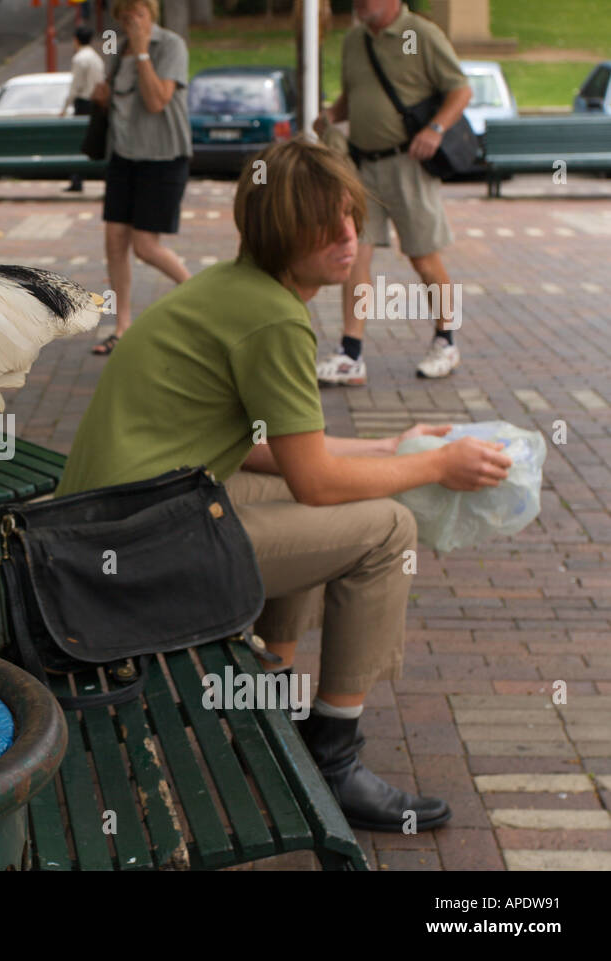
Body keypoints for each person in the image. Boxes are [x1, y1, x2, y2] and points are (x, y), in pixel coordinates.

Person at [55, 138, 513, 833]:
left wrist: (390, 445)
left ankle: (263, 696)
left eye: (352, 219)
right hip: (130, 550)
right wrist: (435, 467)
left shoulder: (234, 288)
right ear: (278, 231)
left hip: (112, 523)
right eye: (324, 224)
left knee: (322, 502)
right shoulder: (274, 317)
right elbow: (319, 480)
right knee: (387, 529)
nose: (348, 237)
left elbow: (279, 451)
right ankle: (333, 756)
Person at [313, 0, 472, 385]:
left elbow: (459, 90)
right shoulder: (354, 40)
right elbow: (355, 96)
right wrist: (332, 116)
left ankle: (446, 341)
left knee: (423, 257)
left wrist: (434, 130)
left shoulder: (418, 36)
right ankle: (351, 354)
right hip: (362, 166)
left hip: (408, 165)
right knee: (354, 257)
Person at [90, 0, 192, 356]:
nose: (131, 20)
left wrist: (144, 53)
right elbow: (122, 102)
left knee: (145, 246)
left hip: (162, 157)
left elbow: (156, 101)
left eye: (139, 12)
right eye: (126, 13)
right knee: (115, 241)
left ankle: (197, 295)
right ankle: (122, 326)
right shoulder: (116, 49)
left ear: (152, 14)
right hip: (124, 156)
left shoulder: (171, 46)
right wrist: (102, 98)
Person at [61, 25, 105, 193]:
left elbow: (75, 87)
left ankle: (76, 179)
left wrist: (65, 107)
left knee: (78, 142)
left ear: (76, 39)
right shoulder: (96, 58)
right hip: (95, 103)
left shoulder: (80, 59)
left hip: (83, 103)